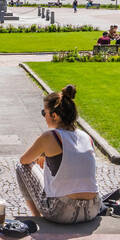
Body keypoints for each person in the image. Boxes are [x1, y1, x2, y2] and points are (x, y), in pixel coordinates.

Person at [15, 85, 100, 224]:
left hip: (61, 212)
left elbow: (24, 160)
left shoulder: (50, 136)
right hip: (93, 209)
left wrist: (42, 154)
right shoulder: (87, 137)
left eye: (44, 113)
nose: (44, 116)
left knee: (21, 167)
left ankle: (37, 218)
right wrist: (45, 155)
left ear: (54, 115)